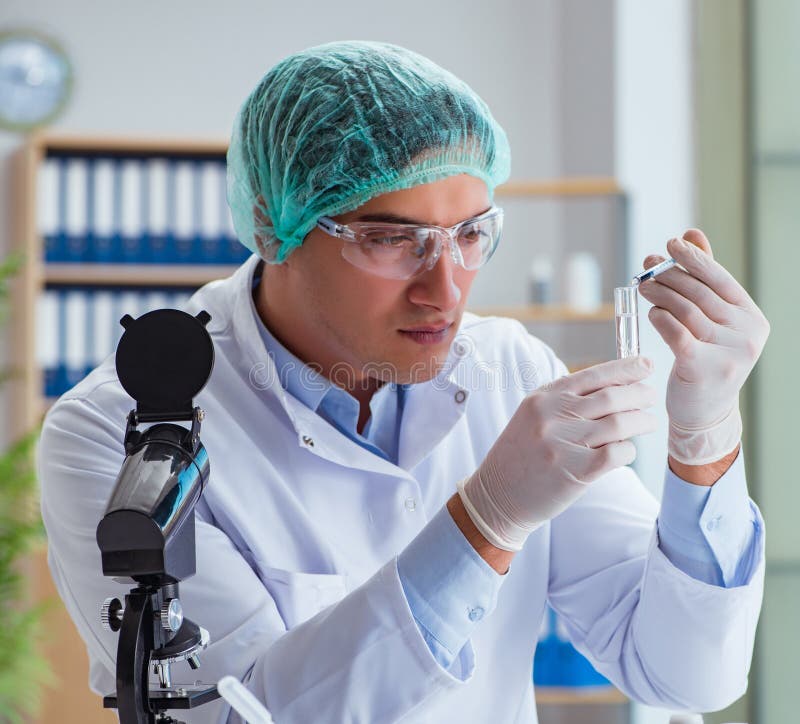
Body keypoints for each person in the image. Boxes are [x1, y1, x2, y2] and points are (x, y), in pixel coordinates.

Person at [39, 41, 769, 723]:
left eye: (471, 234)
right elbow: (239, 714)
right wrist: (484, 522)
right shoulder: (115, 436)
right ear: (273, 224)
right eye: (391, 240)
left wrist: (705, 437)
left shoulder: (510, 371)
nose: (446, 290)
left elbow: (685, 675)